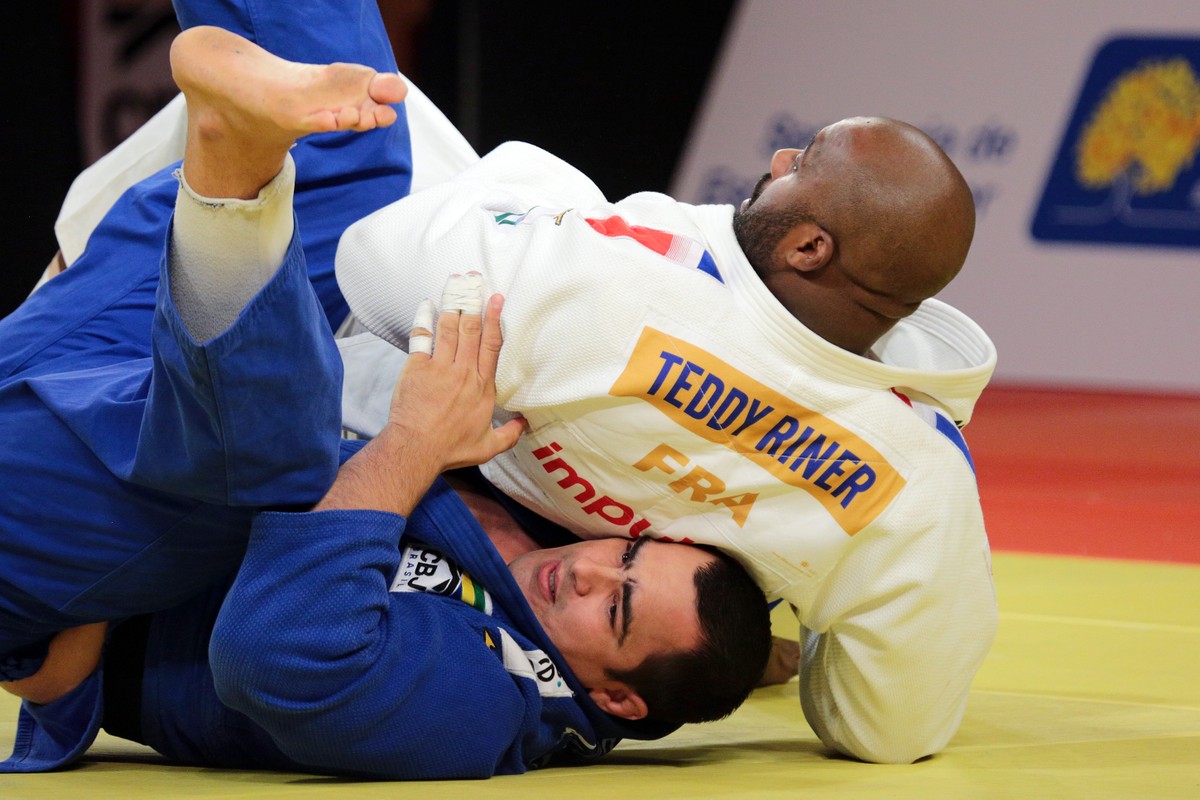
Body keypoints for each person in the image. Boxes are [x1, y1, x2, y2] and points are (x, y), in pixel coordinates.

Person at [39, 0, 998, 765]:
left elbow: (376, 262)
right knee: (350, 117)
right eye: (628, 552)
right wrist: (745, 650)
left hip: (187, 459)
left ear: (808, 245)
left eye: (800, 167)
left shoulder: (615, 290)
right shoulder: (917, 485)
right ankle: (216, 157)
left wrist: (421, 436)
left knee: (366, 135)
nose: (778, 158)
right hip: (201, 428)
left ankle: (217, 162)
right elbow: (892, 725)